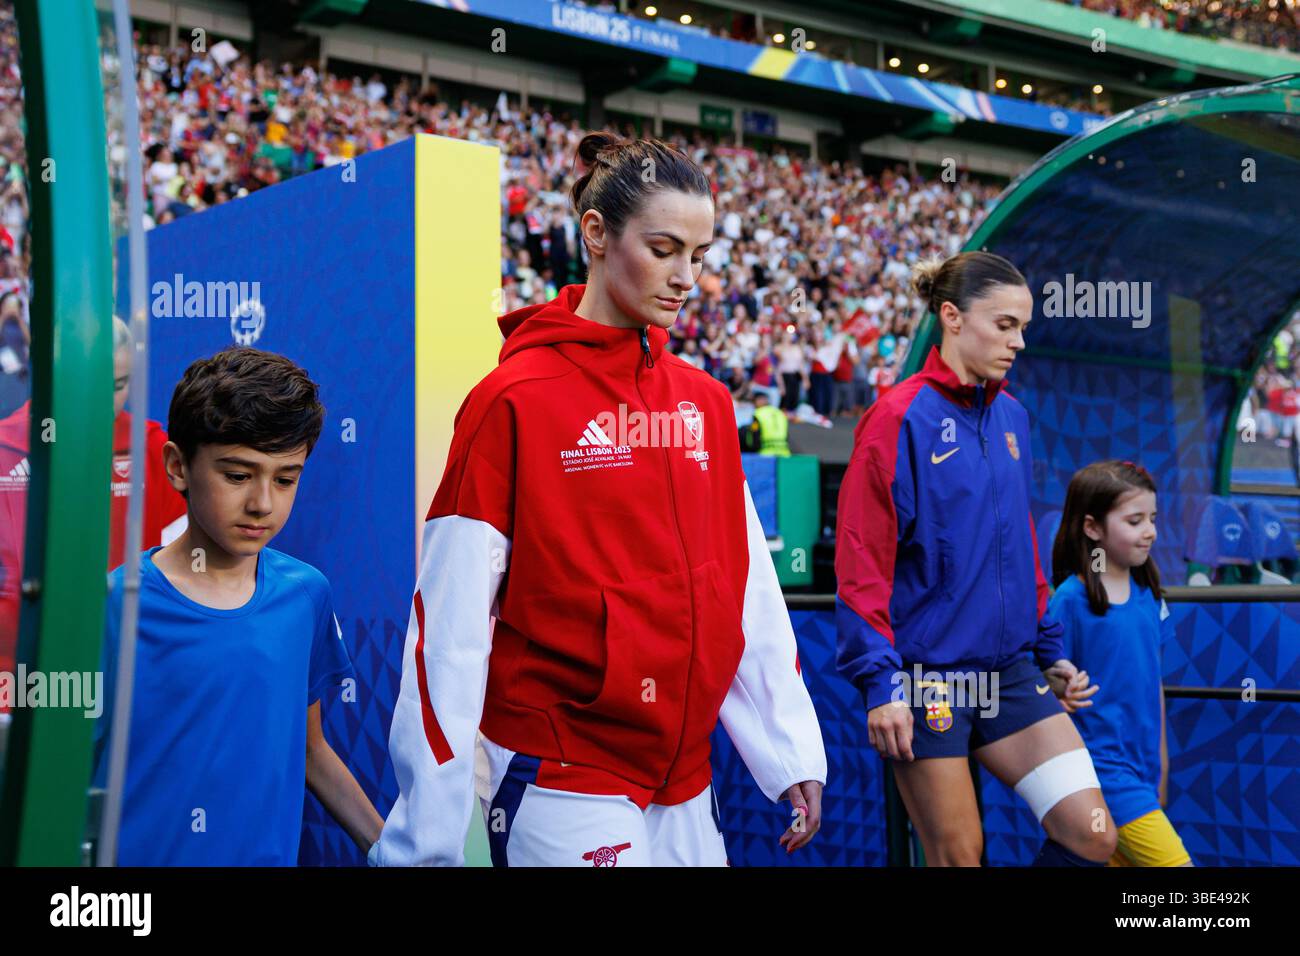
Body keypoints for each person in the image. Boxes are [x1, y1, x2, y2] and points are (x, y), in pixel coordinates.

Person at [371, 132, 826, 868]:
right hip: (560, 775)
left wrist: (789, 748)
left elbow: (745, 590)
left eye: (700, 256)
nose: (686, 278)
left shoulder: (707, 403)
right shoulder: (509, 400)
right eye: (664, 247)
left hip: (684, 782)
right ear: (595, 234)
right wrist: (424, 842)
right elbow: (448, 632)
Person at [835, 251, 1117, 867]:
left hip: (1012, 674)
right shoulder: (895, 417)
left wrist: (1052, 653)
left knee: (1092, 834)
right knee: (958, 858)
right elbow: (862, 566)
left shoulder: (1012, 415)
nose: (1019, 341)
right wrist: (881, 683)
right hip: (928, 680)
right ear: (952, 318)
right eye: (1005, 324)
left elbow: (1020, 551)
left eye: (1023, 327)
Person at [93, 347, 383, 865]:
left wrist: (389, 848)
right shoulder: (115, 606)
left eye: (285, 478)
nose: (263, 503)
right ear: (178, 466)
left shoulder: (305, 595)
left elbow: (311, 748)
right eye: (237, 475)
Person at [1049, 460, 1192, 867]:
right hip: (1101, 773)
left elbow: (1153, 686)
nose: (1150, 531)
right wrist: (1057, 686)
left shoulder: (1148, 594)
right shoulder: (1070, 601)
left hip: (1142, 772)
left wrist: (1160, 769)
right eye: (1135, 520)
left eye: (1153, 518)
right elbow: (1042, 677)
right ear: (1092, 528)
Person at [108, 316, 188, 569]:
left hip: (134, 606)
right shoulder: (13, 445)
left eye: (119, 385)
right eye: (93, 383)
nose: (105, 399)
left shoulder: (153, 446)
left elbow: (180, 563)